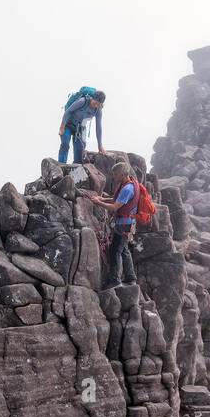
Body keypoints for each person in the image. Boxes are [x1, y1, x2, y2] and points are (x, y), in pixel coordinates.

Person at [88, 160, 140, 289]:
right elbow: (117, 199)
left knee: (115, 251)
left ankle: (115, 281)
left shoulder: (127, 188)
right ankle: (131, 277)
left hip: (124, 225)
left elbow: (115, 207)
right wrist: (102, 198)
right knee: (124, 250)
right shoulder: (127, 184)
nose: (113, 176)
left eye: (115, 174)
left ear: (123, 174)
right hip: (127, 223)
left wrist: (98, 203)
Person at [58, 89, 106, 164]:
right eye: (95, 102)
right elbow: (68, 112)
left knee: (80, 149)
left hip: (80, 128)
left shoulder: (98, 110)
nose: (95, 105)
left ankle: (75, 167)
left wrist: (100, 145)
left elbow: (98, 127)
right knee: (65, 144)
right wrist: (62, 127)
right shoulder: (82, 101)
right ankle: (61, 165)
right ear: (92, 98)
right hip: (68, 124)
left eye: (98, 104)